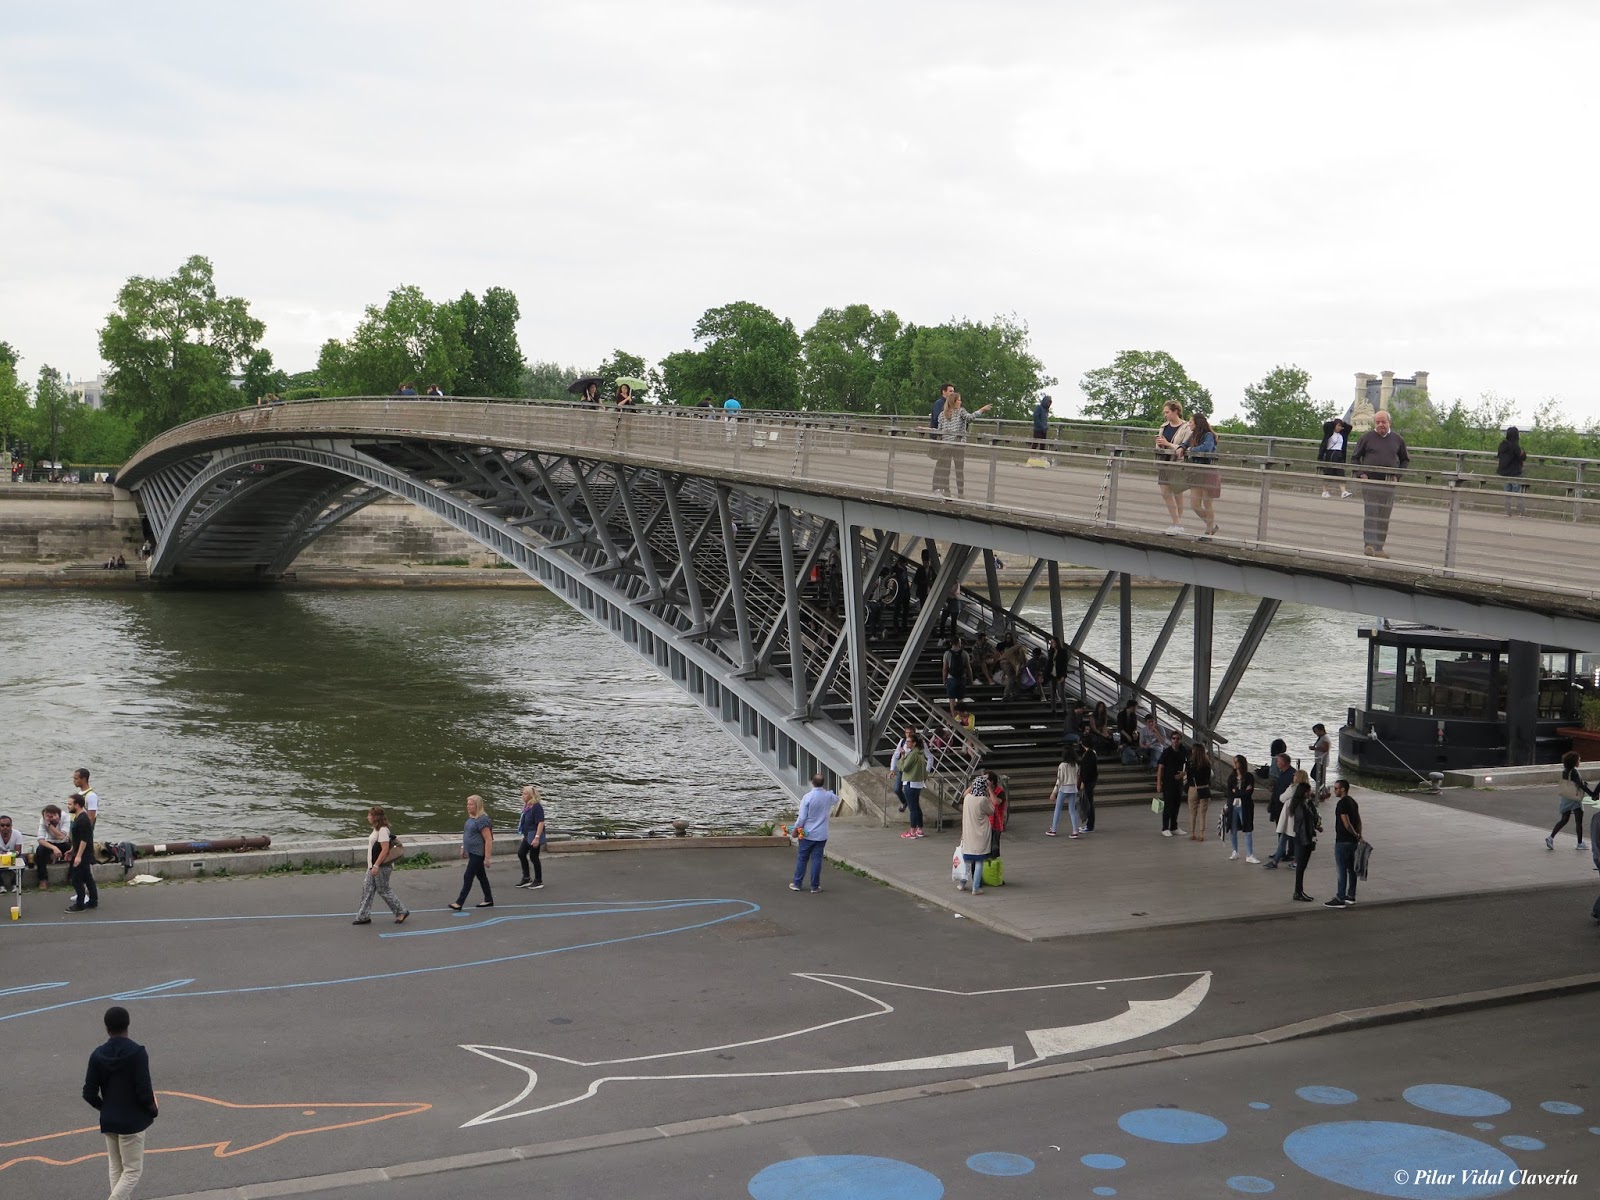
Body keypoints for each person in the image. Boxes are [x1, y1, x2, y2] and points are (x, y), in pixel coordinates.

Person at [83, 1005, 159, 1200]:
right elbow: (144, 1092)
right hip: (131, 1122)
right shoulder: (137, 1053)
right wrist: (153, 1109)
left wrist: (105, 1107)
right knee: (133, 1171)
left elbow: (89, 1093)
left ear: (107, 1028)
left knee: (116, 1167)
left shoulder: (98, 1055)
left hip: (109, 1121)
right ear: (128, 1025)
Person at [1350, 409, 1411, 558]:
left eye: (1383, 422)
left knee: (1384, 516)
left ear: (1389, 422)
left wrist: (1397, 476)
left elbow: (1405, 460)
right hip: (1370, 482)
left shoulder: (1397, 439)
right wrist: (1361, 474)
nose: (1380, 425)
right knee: (1371, 512)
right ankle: (1369, 545)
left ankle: (1379, 548)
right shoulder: (1367, 438)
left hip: (1388, 483)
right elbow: (1355, 458)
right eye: (1377, 422)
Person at [931, 391, 994, 499]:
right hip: (958, 445)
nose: (961, 402)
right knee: (959, 470)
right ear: (954, 401)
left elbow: (939, 430)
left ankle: (947, 492)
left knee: (946, 470)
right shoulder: (961, 412)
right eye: (959, 399)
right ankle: (960, 493)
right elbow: (970, 418)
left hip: (946, 445)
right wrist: (982, 410)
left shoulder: (942, 414)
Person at [353, 806, 409, 925]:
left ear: (376, 817)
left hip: (381, 866)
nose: (367, 817)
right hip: (373, 865)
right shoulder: (376, 829)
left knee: (384, 890)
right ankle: (363, 916)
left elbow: (384, 850)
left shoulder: (383, 830)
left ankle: (401, 911)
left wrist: (376, 866)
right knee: (367, 889)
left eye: (369, 815)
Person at [791, 773, 836, 893]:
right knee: (817, 860)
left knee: (802, 858)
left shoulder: (808, 797)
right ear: (823, 783)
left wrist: (796, 829)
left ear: (812, 782)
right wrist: (829, 791)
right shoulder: (828, 796)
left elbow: (802, 817)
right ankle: (814, 886)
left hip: (807, 833)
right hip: (821, 834)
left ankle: (797, 883)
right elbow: (836, 799)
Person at [449, 794, 494, 910]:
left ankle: (459, 902)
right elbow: (467, 834)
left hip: (478, 853)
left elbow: (488, 839)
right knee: (481, 876)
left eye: (470, 804)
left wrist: (487, 858)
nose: (468, 806)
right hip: (472, 852)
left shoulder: (482, 820)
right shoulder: (471, 818)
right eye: (467, 804)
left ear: (477, 805)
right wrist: (464, 847)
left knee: (468, 876)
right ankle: (488, 899)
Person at [1154, 400, 1193, 534]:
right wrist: (1159, 444)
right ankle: (1177, 523)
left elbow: (1185, 447)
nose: (1165, 415)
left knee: (1177, 493)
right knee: (1165, 492)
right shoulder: (1163, 427)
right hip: (1164, 462)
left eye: (1167, 412)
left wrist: (1168, 444)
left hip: (1177, 463)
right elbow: (1159, 446)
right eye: (1165, 412)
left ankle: (1177, 524)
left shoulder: (1186, 427)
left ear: (1175, 411)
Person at [1181, 412, 1221, 536]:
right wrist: (1181, 448)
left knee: (1207, 502)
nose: (1188, 424)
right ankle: (1212, 525)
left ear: (1197, 423)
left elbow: (1207, 448)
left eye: (1191, 422)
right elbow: (1185, 444)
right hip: (1196, 473)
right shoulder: (1193, 435)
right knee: (1195, 505)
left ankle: (1208, 531)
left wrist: (1191, 450)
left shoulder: (1208, 435)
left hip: (1208, 472)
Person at [1326, 780, 1363, 908]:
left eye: (1336, 788)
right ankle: (1351, 895)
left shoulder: (1342, 803)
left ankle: (1340, 898)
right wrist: (1359, 835)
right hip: (1353, 842)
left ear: (1343, 789)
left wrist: (1354, 833)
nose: (1334, 790)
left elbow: (1346, 823)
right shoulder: (1353, 802)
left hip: (1342, 841)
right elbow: (1358, 820)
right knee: (1351, 870)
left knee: (1341, 870)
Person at [957, 775, 996, 895]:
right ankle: (975, 887)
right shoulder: (983, 800)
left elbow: (965, 793)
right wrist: (989, 791)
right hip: (980, 833)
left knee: (967, 860)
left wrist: (973, 784)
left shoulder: (967, 798)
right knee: (979, 861)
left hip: (968, 832)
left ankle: (962, 883)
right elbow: (992, 811)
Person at [1546, 750, 1591, 851]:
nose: (1579, 761)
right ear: (1574, 761)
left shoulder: (1565, 771)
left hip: (1566, 798)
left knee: (1564, 819)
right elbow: (1580, 785)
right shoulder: (1574, 772)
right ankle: (1579, 843)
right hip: (1575, 798)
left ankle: (1551, 837)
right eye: (1578, 760)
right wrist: (1592, 794)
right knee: (1579, 822)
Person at [1288, 778, 1321, 902]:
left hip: (1304, 837)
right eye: (1308, 790)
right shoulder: (1301, 806)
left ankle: (1299, 891)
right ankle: (1298, 891)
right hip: (1303, 838)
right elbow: (1305, 823)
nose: (1310, 792)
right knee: (1301, 866)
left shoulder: (1304, 804)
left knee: (1302, 866)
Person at [64, 792, 98, 913]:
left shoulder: (83, 820)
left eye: (69, 804)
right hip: (80, 852)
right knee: (87, 877)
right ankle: (93, 901)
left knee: (76, 878)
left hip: (83, 854)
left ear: (77, 805)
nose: (67, 806)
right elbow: (78, 838)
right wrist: (72, 849)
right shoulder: (79, 817)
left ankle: (80, 904)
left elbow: (84, 840)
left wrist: (78, 856)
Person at [1264, 757, 1297, 868]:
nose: (1276, 763)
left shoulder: (1291, 774)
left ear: (1284, 762)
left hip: (1285, 808)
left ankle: (1288, 852)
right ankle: (1283, 852)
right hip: (1279, 806)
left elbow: (1285, 794)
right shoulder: (1282, 773)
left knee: (1285, 831)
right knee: (1281, 830)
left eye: (1278, 761)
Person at [896, 732, 929, 839]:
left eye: (908, 741)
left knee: (912, 808)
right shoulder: (920, 753)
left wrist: (902, 757)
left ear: (914, 743)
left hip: (910, 782)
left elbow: (904, 767)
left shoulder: (913, 754)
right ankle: (919, 829)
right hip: (918, 782)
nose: (906, 743)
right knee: (916, 806)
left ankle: (912, 831)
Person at [1226, 754, 1258, 862]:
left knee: (1248, 829)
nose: (1234, 764)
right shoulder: (1231, 777)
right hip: (1233, 805)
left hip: (1245, 805)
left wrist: (1238, 792)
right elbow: (1229, 792)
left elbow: (1249, 792)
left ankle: (1249, 854)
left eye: (1236, 762)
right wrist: (1241, 792)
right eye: (1234, 762)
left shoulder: (1249, 776)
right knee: (1233, 828)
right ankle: (1235, 851)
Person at [1155, 730, 1187, 837]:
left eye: (1177, 739)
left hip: (1178, 782)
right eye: (1173, 738)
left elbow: (1189, 764)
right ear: (1171, 739)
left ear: (1180, 740)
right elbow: (1160, 767)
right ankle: (1165, 828)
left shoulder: (1183, 750)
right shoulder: (1167, 752)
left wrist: (1184, 773)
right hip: (1168, 781)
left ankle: (1174, 826)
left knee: (1176, 804)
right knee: (1168, 805)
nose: (1175, 741)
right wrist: (1159, 783)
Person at [516, 785, 548, 888]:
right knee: (521, 853)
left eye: (524, 794)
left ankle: (538, 880)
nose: (522, 796)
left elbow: (540, 822)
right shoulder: (527, 806)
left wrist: (537, 837)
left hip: (533, 835)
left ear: (530, 795)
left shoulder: (536, 806)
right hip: (527, 835)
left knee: (534, 857)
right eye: (522, 793)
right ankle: (526, 878)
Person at [34, 803, 71, 889]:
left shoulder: (65, 817)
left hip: (64, 842)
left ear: (58, 814)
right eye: (48, 817)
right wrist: (54, 848)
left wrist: (49, 825)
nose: (52, 818)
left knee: (74, 850)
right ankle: (43, 879)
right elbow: (40, 839)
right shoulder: (44, 820)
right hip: (50, 842)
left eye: (53, 816)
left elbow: (62, 836)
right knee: (40, 850)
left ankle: (72, 877)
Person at [1047, 749, 1079, 837]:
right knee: (1072, 810)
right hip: (1073, 788)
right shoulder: (1075, 765)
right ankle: (1075, 830)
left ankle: (1053, 829)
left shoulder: (1062, 765)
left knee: (1058, 809)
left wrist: (1054, 792)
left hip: (1064, 788)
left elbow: (1059, 780)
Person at [1317, 418, 1352, 499]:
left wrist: (1342, 423)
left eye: (1341, 426)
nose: (1340, 428)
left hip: (1339, 454)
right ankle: (1325, 491)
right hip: (1330, 453)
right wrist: (1334, 422)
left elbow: (1349, 427)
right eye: (1338, 426)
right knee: (1328, 472)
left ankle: (1343, 491)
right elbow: (1326, 425)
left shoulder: (1342, 434)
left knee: (1341, 472)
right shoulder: (1329, 432)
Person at [1497, 426, 1528, 516]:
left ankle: (1507, 511)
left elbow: (1499, 456)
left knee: (1507, 493)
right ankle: (1521, 511)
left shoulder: (1502, 445)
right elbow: (1523, 457)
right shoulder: (1515, 446)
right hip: (1515, 473)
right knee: (1518, 493)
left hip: (1505, 473)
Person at [1186, 741, 1213, 841]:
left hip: (1193, 788)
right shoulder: (1207, 763)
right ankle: (1202, 833)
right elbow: (1209, 777)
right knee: (1203, 813)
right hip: (1204, 788)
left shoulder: (1190, 763)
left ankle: (1192, 832)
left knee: (1193, 812)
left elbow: (1188, 777)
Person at [942, 637, 970, 715]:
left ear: (951, 643)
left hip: (951, 678)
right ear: (958, 643)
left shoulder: (947, 653)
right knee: (960, 699)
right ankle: (961, 716)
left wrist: (944, 680)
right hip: (962, 678)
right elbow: (968, 667)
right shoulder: (964, 653)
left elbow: (945, 668)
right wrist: (971, 679)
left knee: (952, 699)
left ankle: (954, 718)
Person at [1076, 741, 1098, 832]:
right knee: (1089, 802)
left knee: (1088, 802)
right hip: (1092, 780)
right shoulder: (1092, 753)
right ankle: (1090, 824)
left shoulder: (1088, 754)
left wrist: (1083, 782)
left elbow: (1086, 770)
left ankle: (1090, 825)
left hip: (1088, 781)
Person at [986, 770, 1008, 861]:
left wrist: (990, 789)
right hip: (985, 824)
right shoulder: (982, 790)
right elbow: (965, 795)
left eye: (987, 780)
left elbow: (996, 802)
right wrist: (974, 785)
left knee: (993, 849)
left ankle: (991, 868)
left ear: (992, 781)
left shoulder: (1000, 792)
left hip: (995, 824)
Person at [0, 814, 23, 893]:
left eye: (7, 825)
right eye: (2, 825)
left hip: (13, 856)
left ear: (11, 826)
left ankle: (15, 884)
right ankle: (1, 886)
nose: (5, 827)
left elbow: (18, 851)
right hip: (1, 857)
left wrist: (8, 854)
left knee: (22, 860)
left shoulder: (17, 834)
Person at [1309, 723, 1331, 790]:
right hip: (1319, 759)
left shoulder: (1325, 738)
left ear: (1321, 730)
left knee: (1314, 774)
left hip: (1322, 760)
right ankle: (1322, 788)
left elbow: (1326, 749)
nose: (1316, 733)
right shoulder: (1321, 737)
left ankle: (1323, 789)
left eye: (1316, 731)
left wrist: (1315, 748)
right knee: (1317, 775)